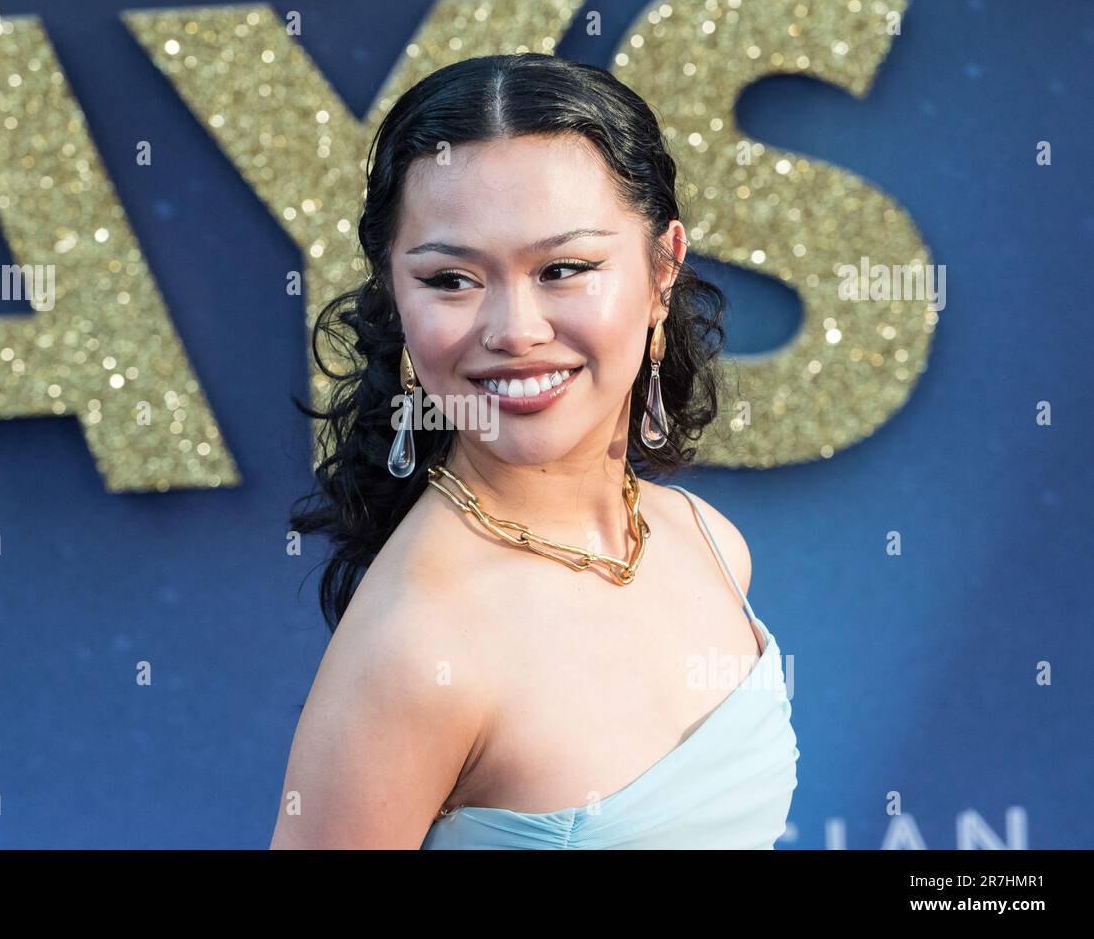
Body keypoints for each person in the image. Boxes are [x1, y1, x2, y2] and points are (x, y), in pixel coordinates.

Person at [273, 53, 798, 849]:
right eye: (451, 280)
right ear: (394, 295)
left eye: (564, 269)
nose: (514, 330)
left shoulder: (706, 542)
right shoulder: (417, 650)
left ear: (663, 271)